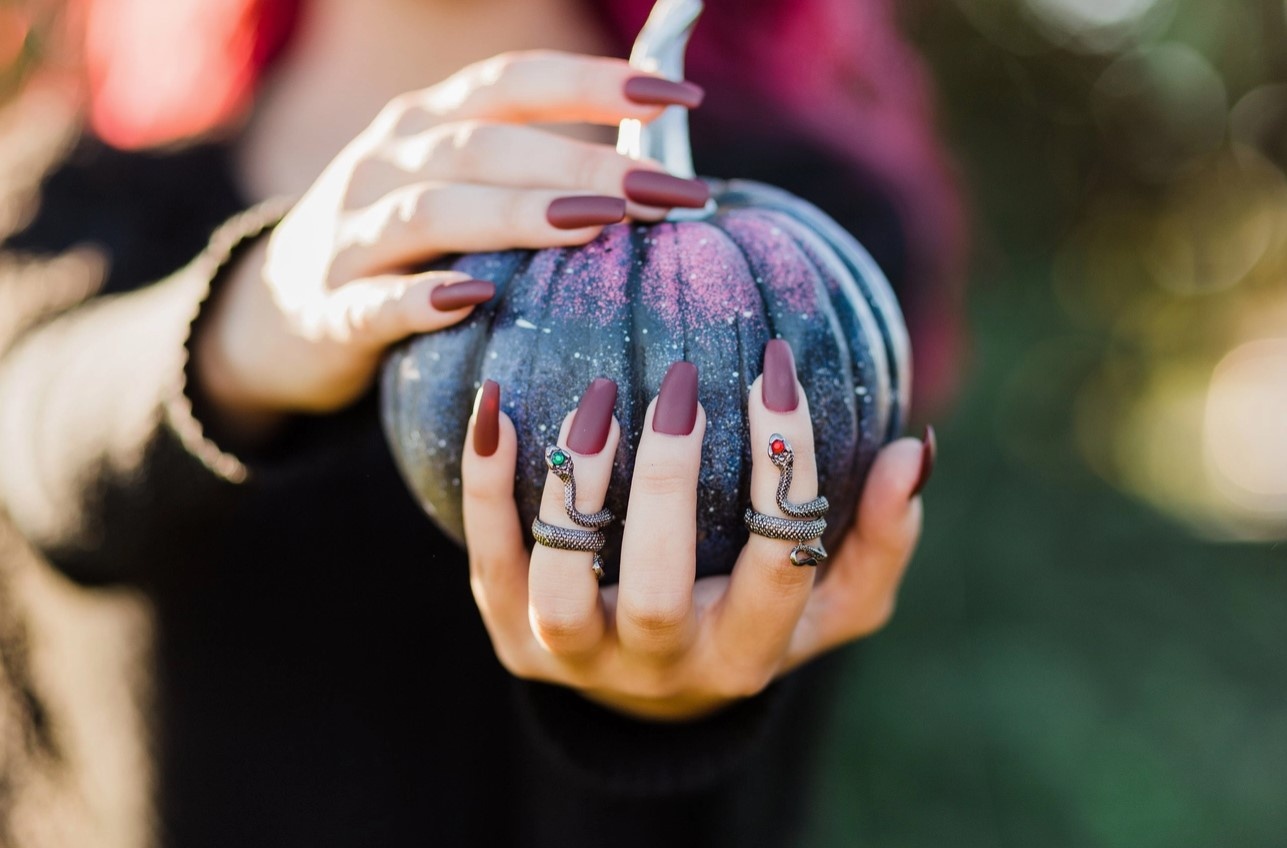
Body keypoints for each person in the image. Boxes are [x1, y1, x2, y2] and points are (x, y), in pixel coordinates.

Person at [0, 0, 960, 844]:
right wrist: (247, 322)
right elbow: (34, 442)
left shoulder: (804, 232)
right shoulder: (71, 200)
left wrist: (662, 703)